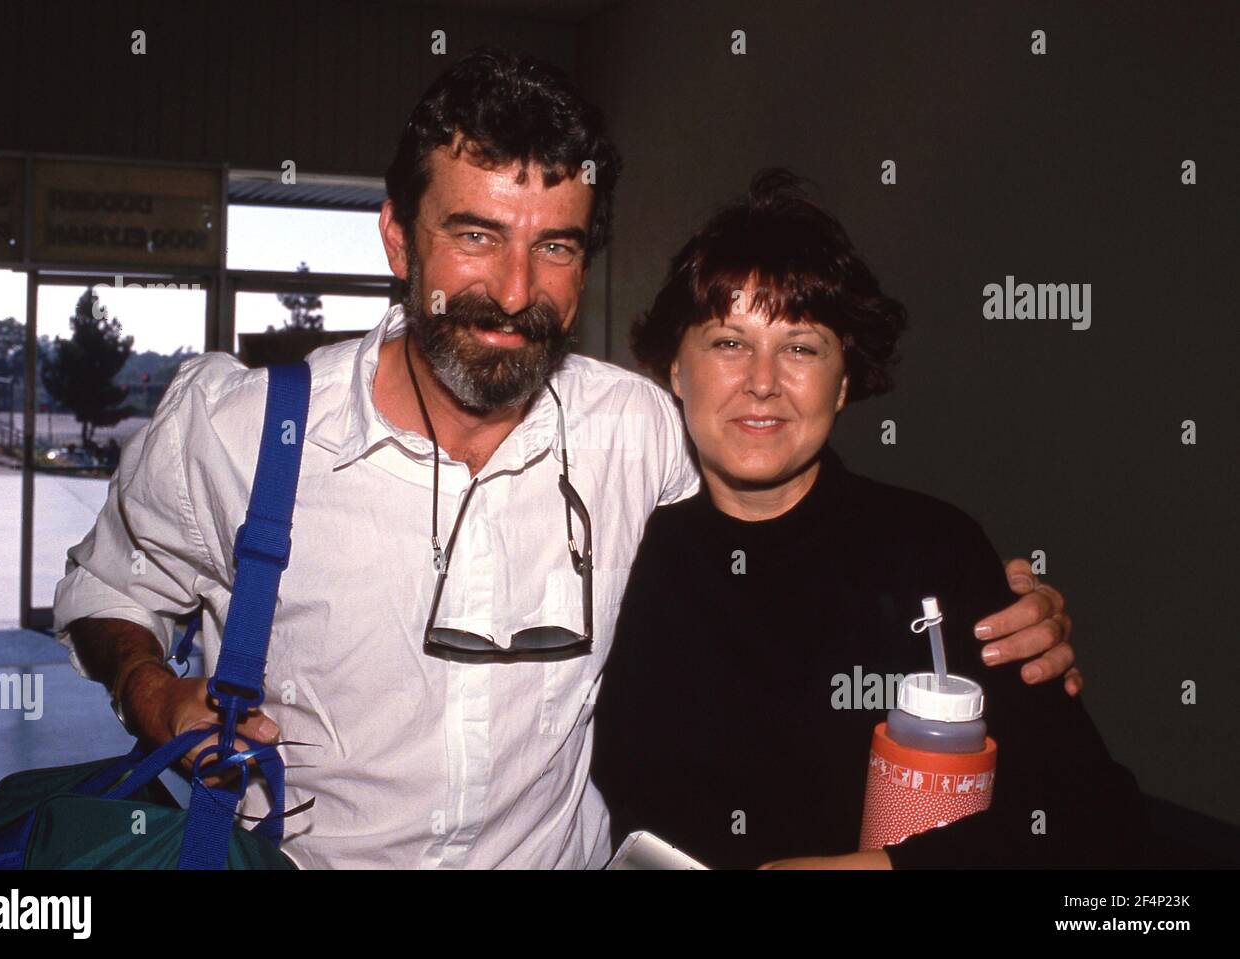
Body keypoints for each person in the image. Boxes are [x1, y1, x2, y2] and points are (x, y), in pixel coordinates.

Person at [54, 48, 1078, 870]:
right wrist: (149, 688)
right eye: (475, 234)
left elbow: (791, 502)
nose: (514, 287)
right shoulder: (245, 427)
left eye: (555, 245)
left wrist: (992, 604)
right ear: (400, 241)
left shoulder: (637, 429)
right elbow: (110, 584)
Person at [590, 169, 1144, 869]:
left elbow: (1096, 815)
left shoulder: (932, 554)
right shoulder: (621, 548)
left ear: (845, 380)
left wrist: (885, 870)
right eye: (729, 342)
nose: (762, 381)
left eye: (800, 347)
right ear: (675, 368)